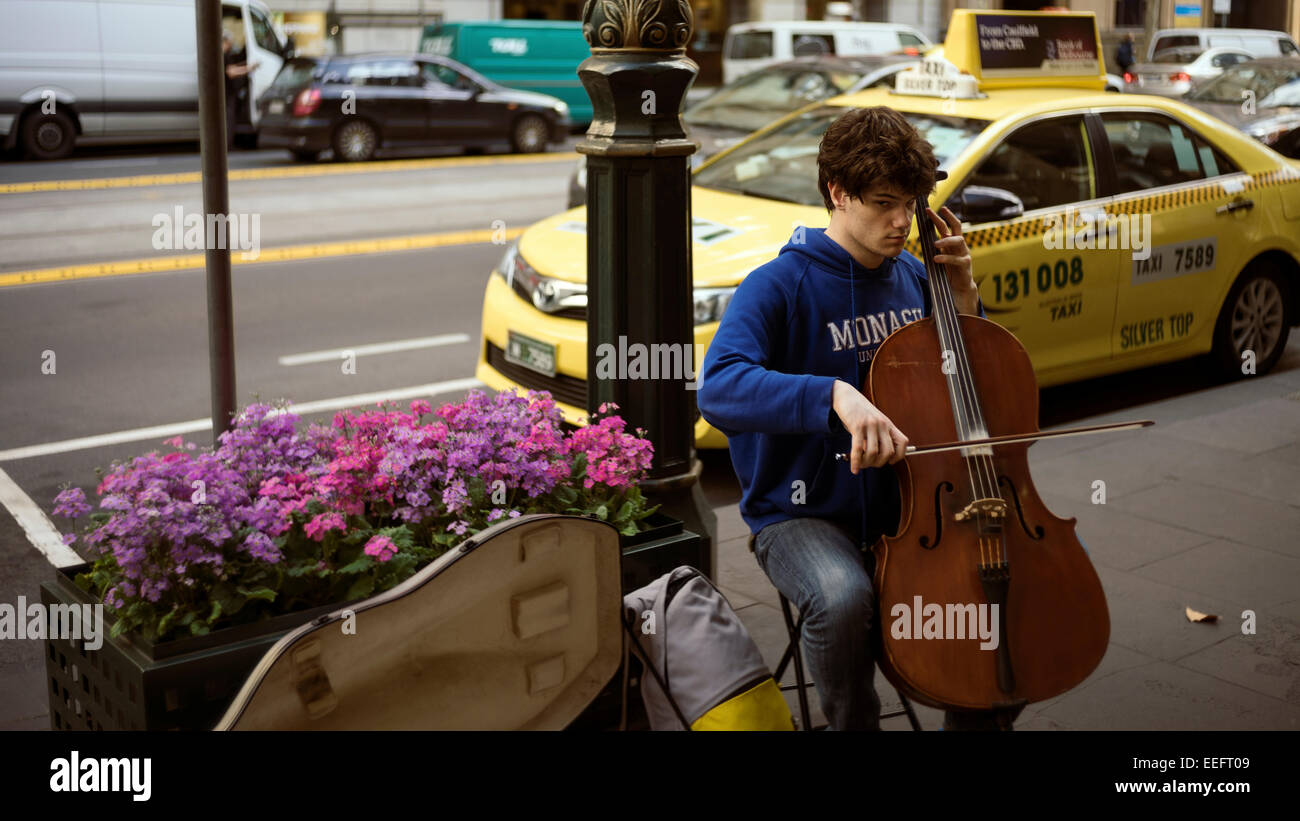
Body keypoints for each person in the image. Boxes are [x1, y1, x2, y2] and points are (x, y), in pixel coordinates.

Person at [697, 106, 1016, 731]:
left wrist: (965, 299)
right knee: (843, 599)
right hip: (802, 514)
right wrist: (833, 396)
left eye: (913, 202)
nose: (903, 221)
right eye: (883, 203)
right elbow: (720, 388)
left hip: (912, 504)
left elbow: (979, 391)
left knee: (1006, 587)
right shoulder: (776, 286)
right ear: (837, 193)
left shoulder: (919, 278)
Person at [222, 30, 258, 150]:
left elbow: (231, 68)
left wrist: (246, 67)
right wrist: (248, 69)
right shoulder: (223, 55)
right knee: (229, 118)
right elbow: (231, 72)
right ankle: (228, 144)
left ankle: (227, 143)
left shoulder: (222, 55)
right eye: (230, 42)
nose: (231, 45)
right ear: (226, 42)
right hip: (227, 92)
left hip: (226, 92)